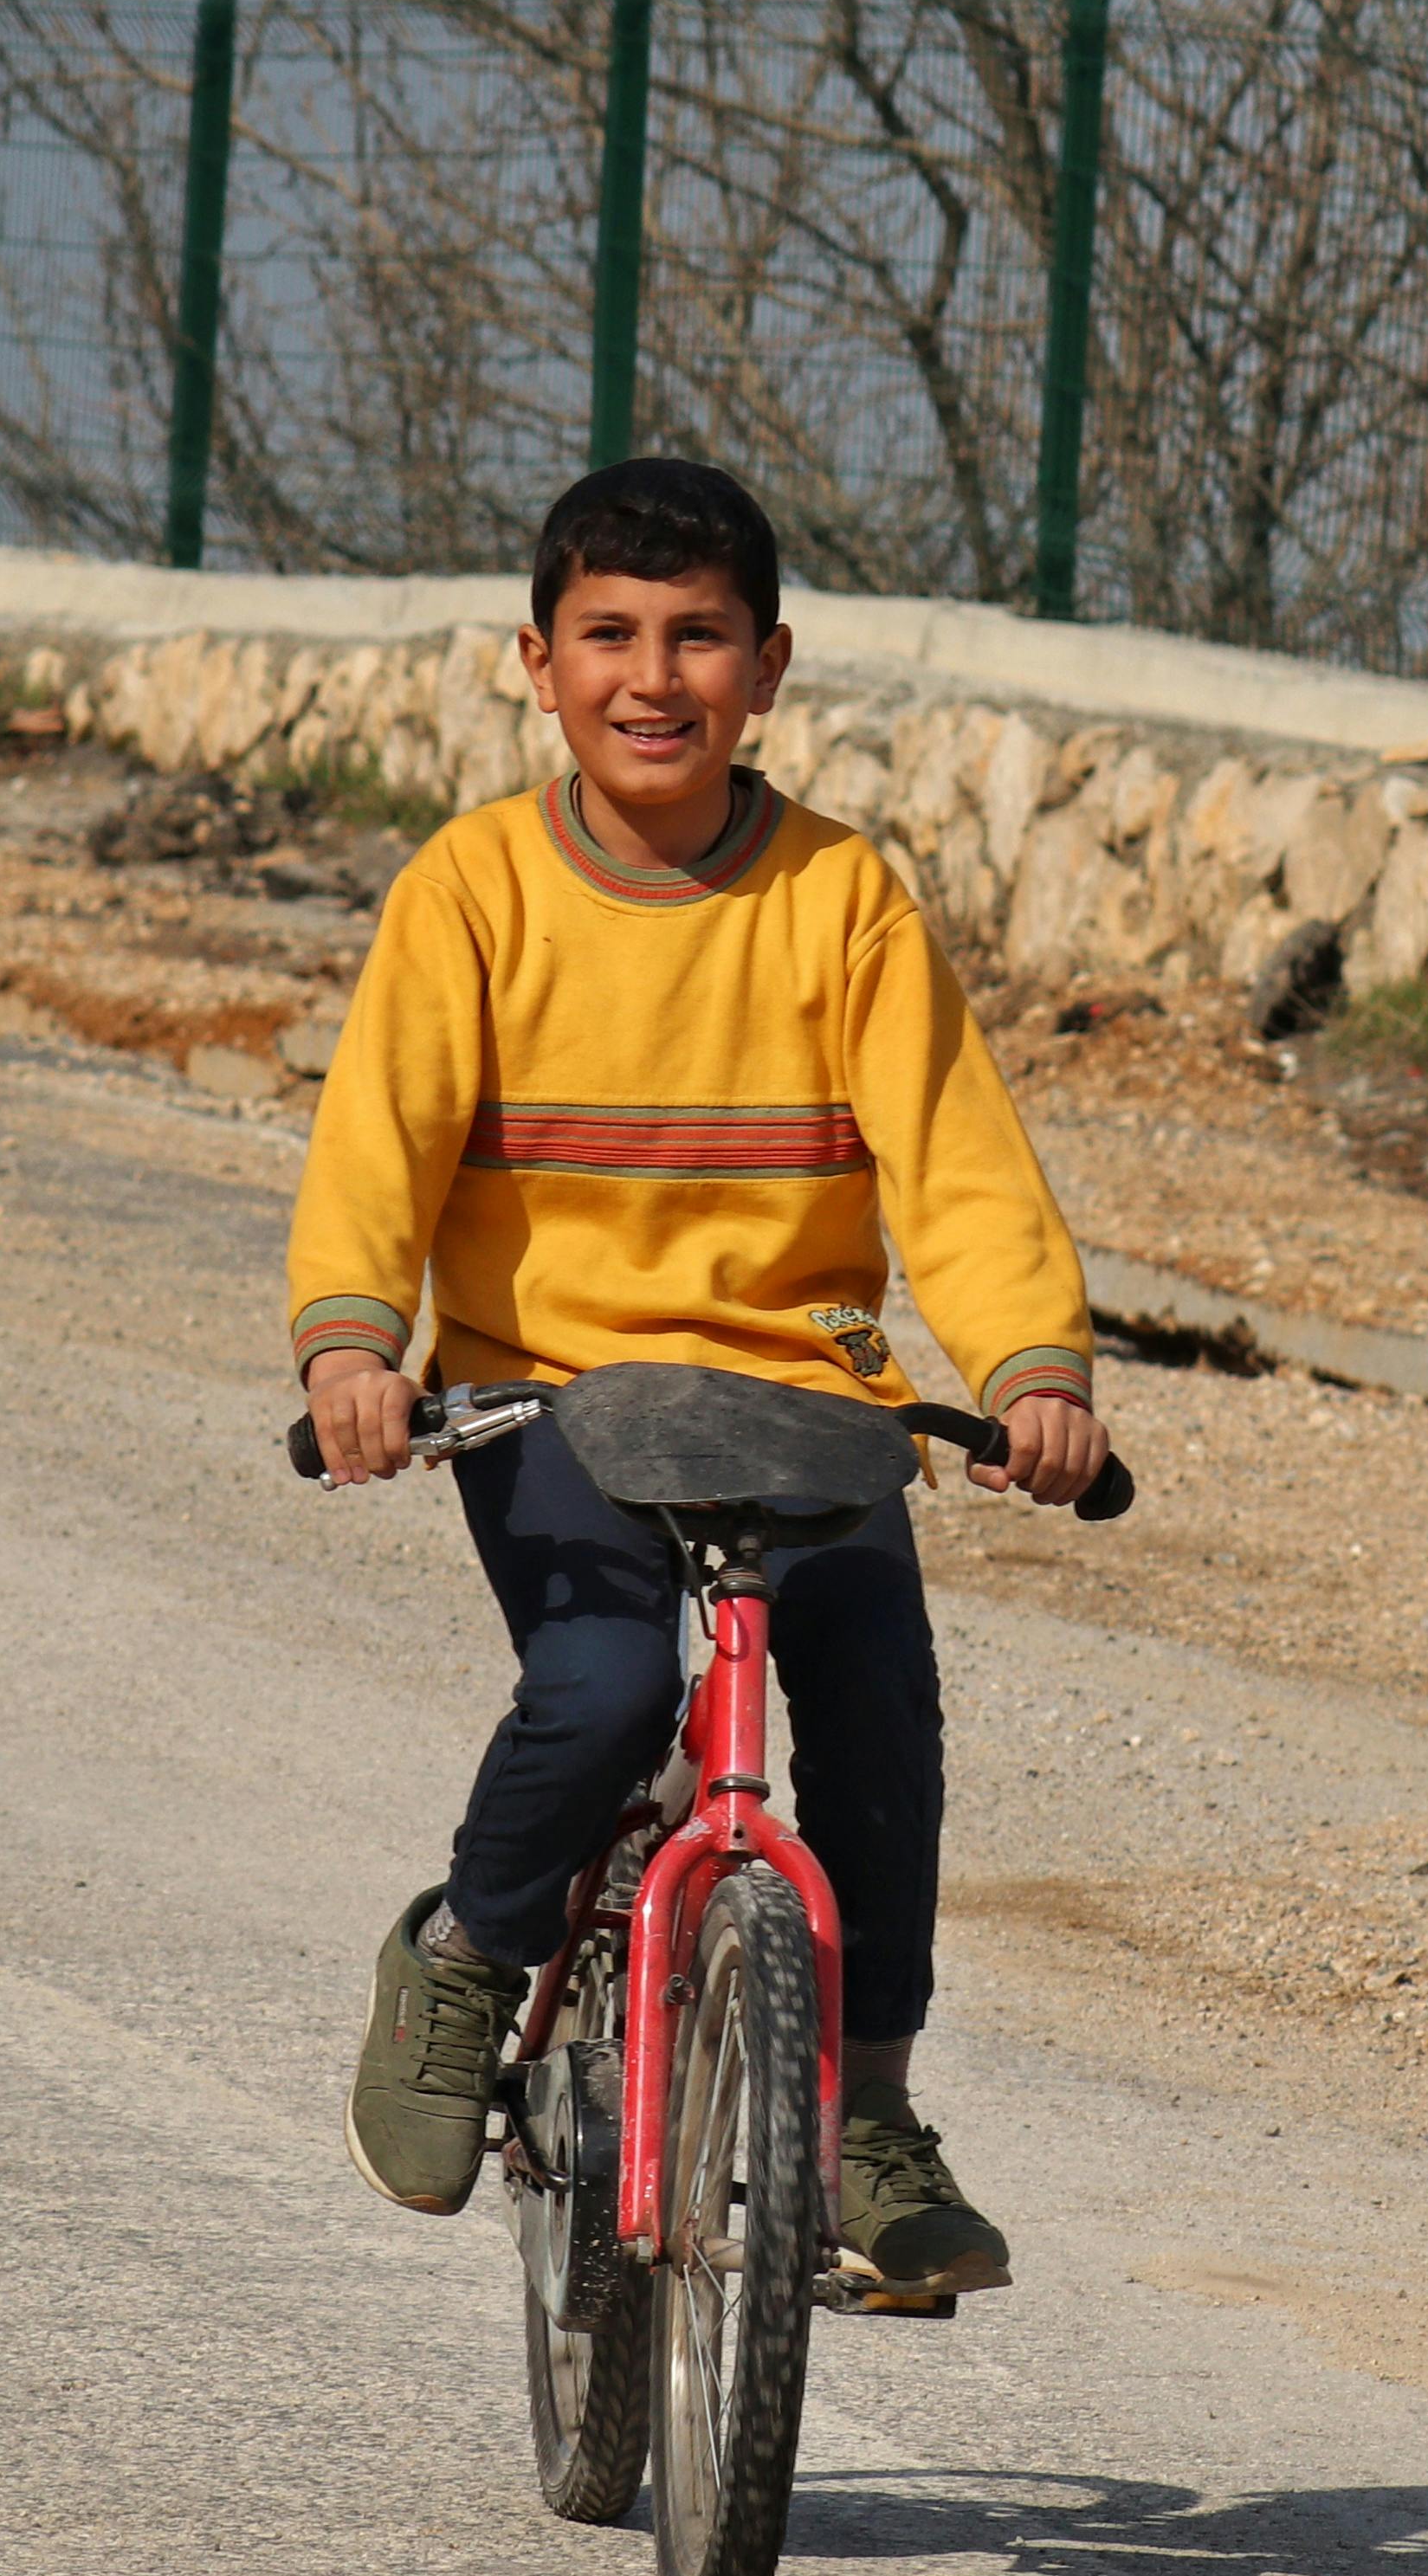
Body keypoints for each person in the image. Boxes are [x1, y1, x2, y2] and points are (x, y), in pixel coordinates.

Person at [290, 455, 1107, 2299]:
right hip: (551, 1392)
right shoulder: (475, 888)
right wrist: (357, 1339)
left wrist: (1033, 1363)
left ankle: (871, 2115)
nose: (653, 677)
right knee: (593, 1690)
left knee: (880, 1722)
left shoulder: (840, 896)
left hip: (801, 1397)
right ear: (536, 658)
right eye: (609, 635)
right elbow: (377, 1144)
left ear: (771, 663)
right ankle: (475, 1956)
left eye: (698, 636)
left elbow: (956, 1162)